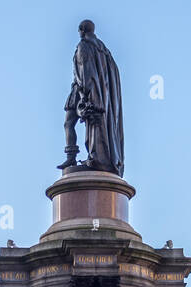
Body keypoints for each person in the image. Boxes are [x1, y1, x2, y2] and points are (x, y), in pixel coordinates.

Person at [60, 20, 124, 177]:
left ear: (81, 30)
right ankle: (75, 158)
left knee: (69, 123)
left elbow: (86, 74)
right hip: (94, 94)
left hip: (82, 92)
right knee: (73, 123)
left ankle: (80, 158)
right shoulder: (104, 51)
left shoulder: (84, 46)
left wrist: (87, 99)